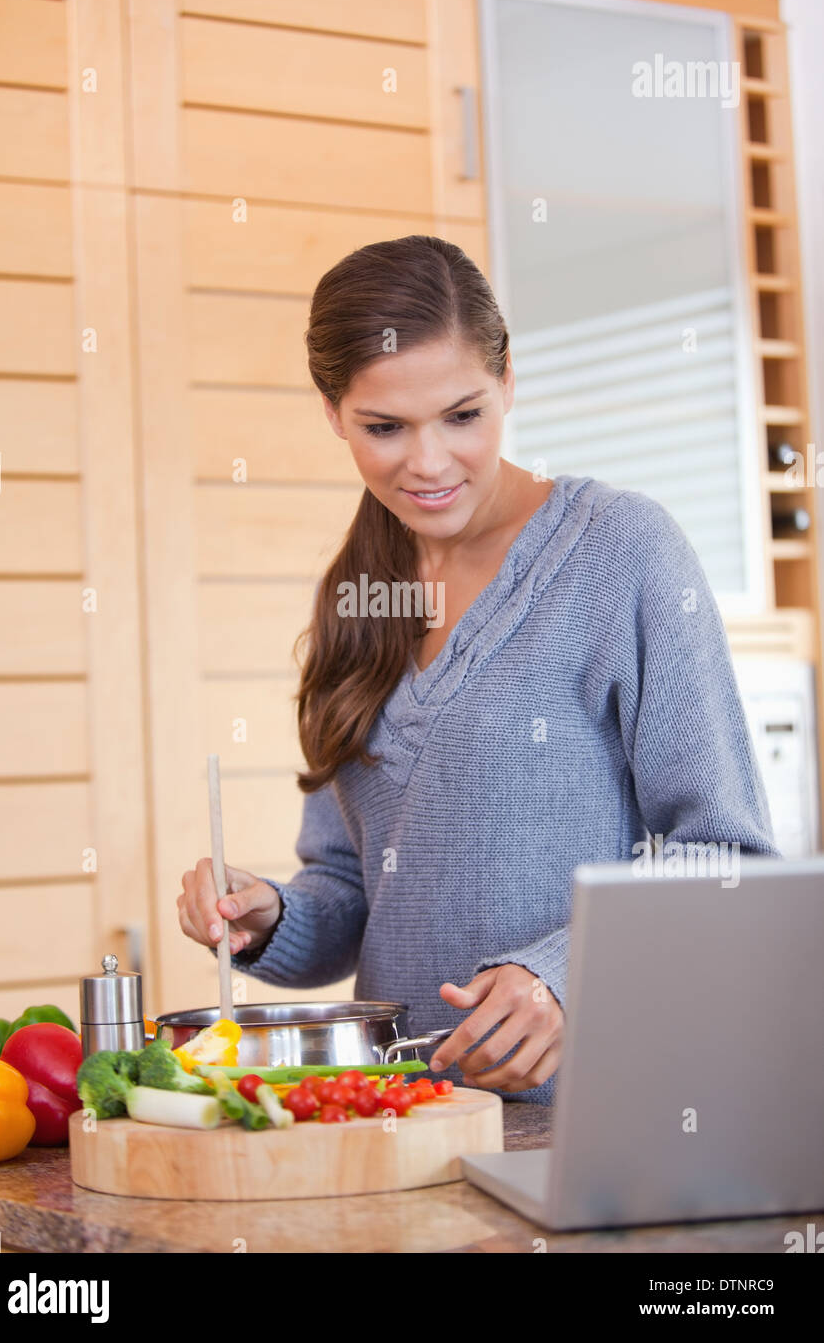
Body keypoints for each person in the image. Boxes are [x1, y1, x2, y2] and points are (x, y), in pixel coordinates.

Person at [178, 235, 779, 1103]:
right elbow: (350, 889)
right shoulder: (355, 596)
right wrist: (268, 913)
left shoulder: (621, 553)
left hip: (598, 1124)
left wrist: (561, 978)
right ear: (332, 412)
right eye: (383, 428)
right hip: (404, 1126)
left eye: (463, 415)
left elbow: (726, 857)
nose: (427, 463)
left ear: (507, 382)